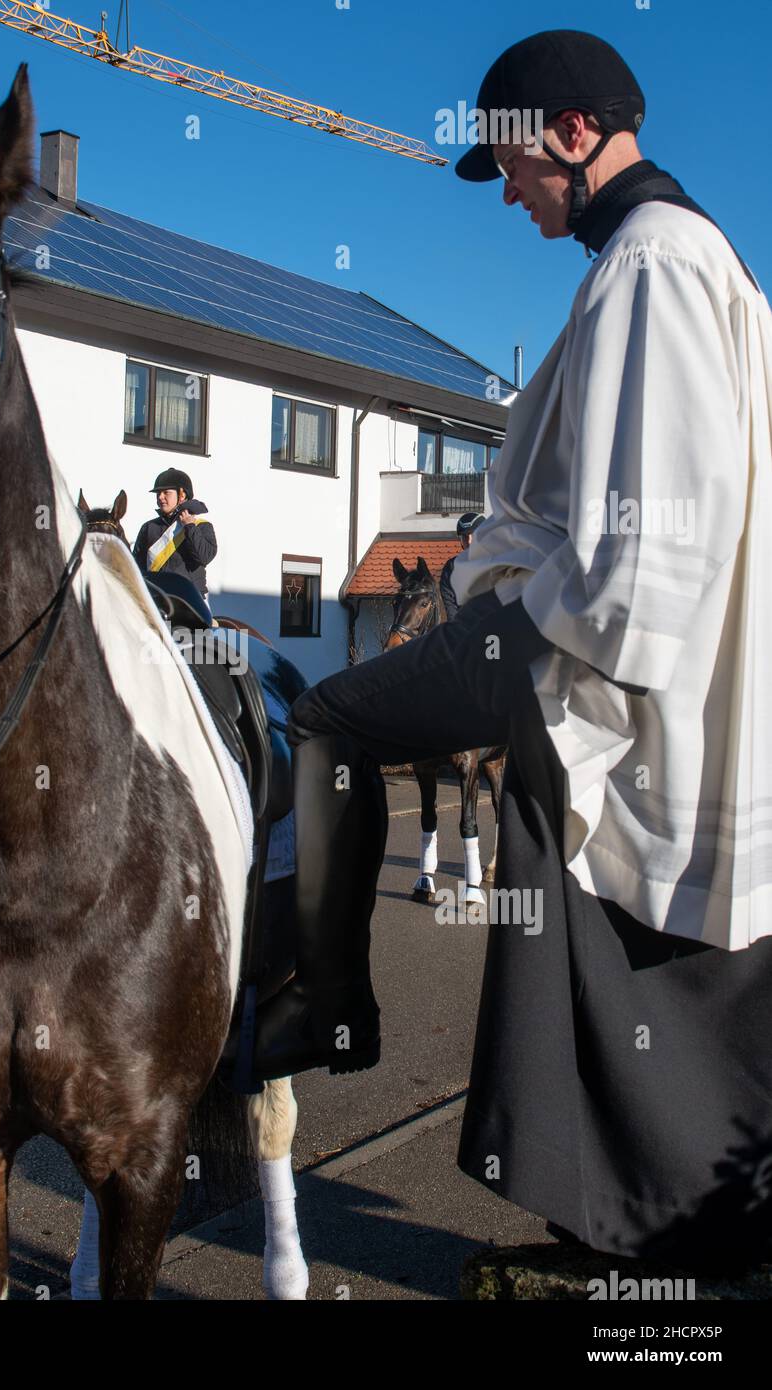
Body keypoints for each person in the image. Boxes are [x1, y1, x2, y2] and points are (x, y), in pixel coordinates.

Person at [251, 29, 772, 1269]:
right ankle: (654, 1233)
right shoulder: (693, 265)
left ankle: (318, 1010)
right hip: (634, 653)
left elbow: (653, 552)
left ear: (573, 136)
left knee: (328, 720)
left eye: (518, 172)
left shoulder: (651, 267)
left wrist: (554, 687)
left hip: (576, 644)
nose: (516, 202)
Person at [132, 468, 218, 601]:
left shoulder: (202, 525)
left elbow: (204, 556)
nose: (160, 497)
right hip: (156, 599)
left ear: (182, 495)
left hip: (191, 600)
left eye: (166, 492)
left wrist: (190, 527)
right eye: (158, 493)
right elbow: (137, 567)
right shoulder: (148, 528)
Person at [438, 512, 484, 620]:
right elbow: (449, 603)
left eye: (473, 535)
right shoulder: (451, 567)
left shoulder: (497, 563)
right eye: (464, 536)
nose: (469, 541)